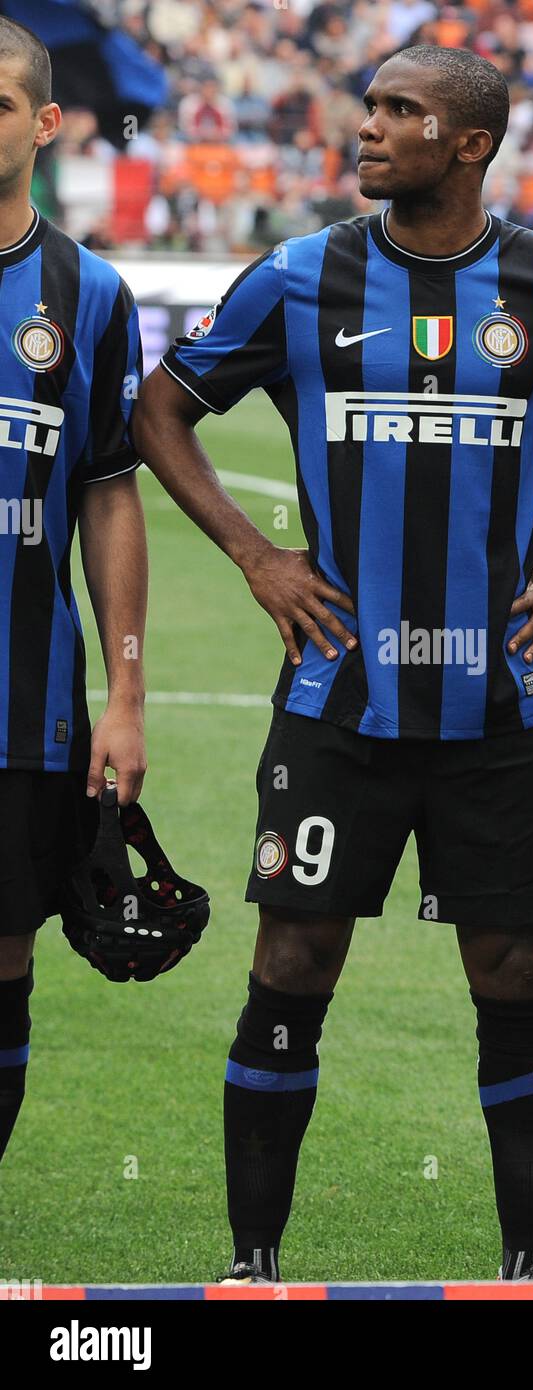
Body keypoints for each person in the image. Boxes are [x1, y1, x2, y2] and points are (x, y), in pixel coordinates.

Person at [134, 44, 533, 1284]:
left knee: (515, 968)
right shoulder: (296, 276)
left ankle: (529, 1264)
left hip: (496, 705)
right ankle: (254, 1265)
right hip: (337, 699)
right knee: (291, 959)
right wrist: (258, 556)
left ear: (470, 144)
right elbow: (158, 409)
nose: (367, 129)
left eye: (399, 112)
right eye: (369, 106)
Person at [0, 18, 147, 1164]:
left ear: (46, 124)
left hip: (23, 701)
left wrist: (127, 695)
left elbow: (107, 493)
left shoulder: (87, 295)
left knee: (5, 956)